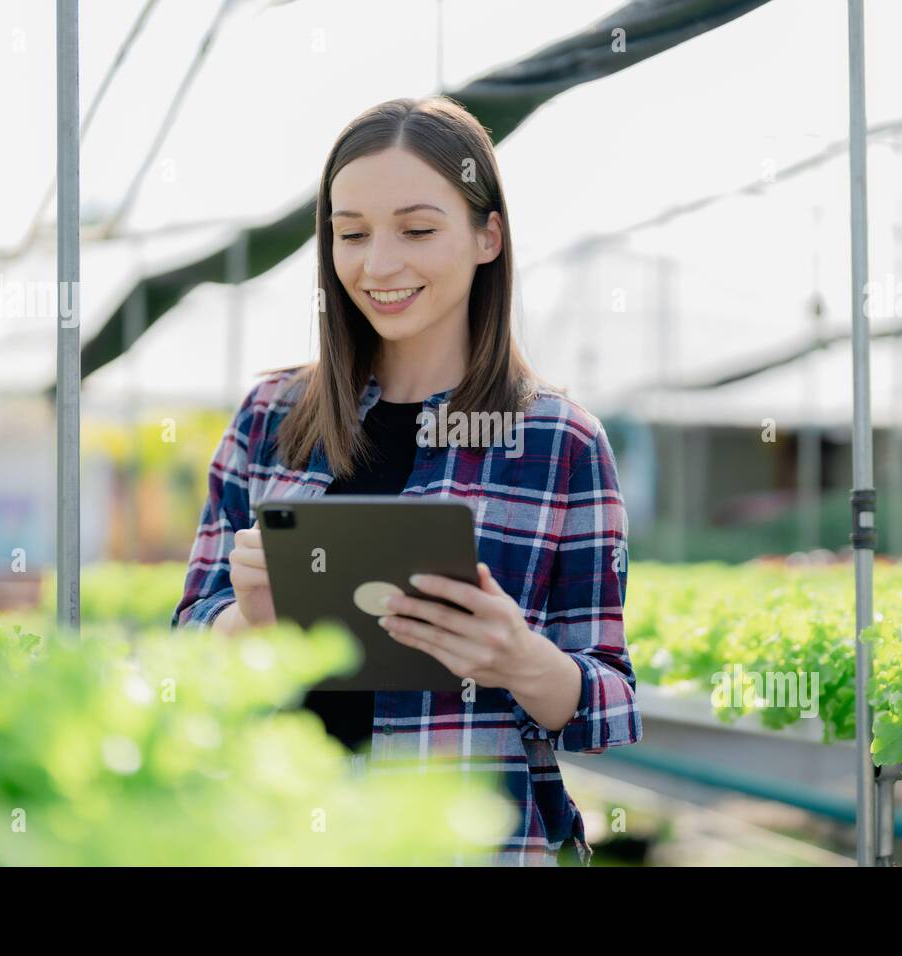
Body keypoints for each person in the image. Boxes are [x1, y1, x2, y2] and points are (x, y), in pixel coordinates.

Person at [171, 95, 642, 866]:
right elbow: (186, 660)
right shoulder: (269, 419)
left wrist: (519, 658)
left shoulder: (560, 441)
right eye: (350, 234)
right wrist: (248, 620)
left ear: (488, 236)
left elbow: (609, 704)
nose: (377, 264)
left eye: (417, 230)